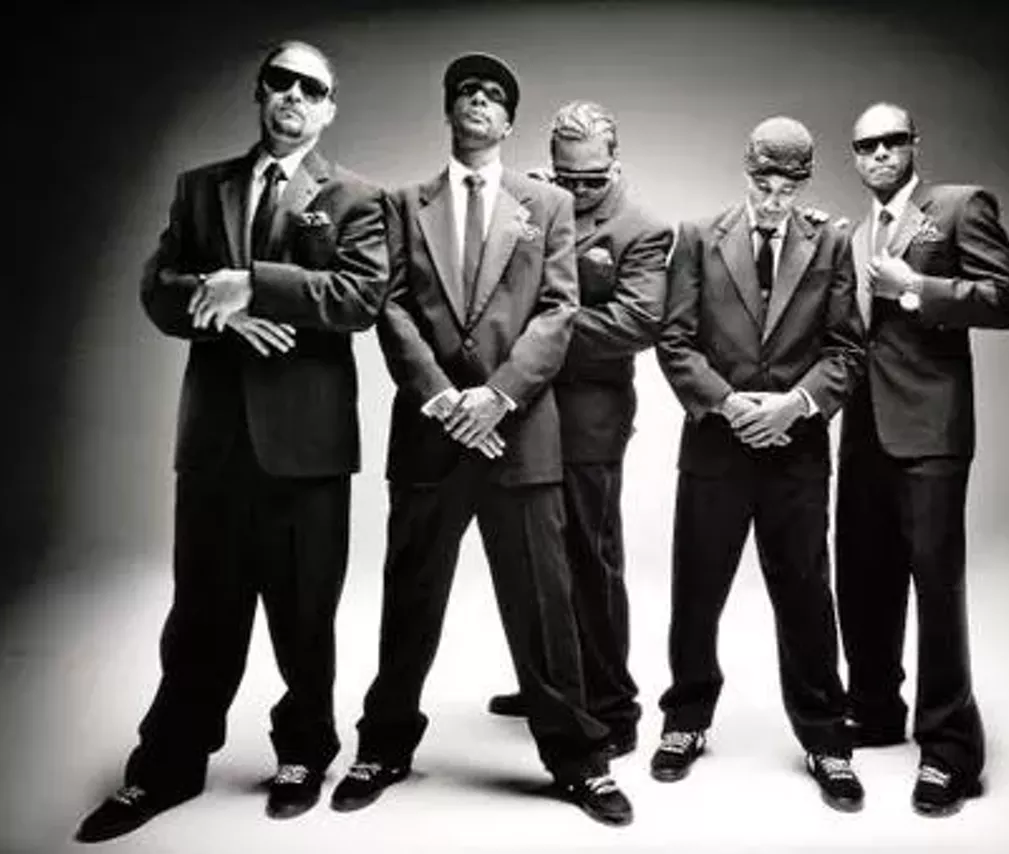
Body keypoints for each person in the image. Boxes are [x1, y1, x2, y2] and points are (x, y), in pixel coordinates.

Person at [75, 40, 391, 842]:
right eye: (280, 81)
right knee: (200, 615)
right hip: (215, 441)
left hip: (308, 446)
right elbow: (159, 290)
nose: (293, 96)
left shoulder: (356, 198)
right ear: (260, 92)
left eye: (310, 88)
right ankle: (167, 766)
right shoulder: (200, 187)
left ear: (328, 109)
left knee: (304, 613)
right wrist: (227, 316)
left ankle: (304, 753)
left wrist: (253, 286)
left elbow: (360, 297)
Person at [331, 54, 633, 827]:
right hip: (430, 433)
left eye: (494, 95)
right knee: (410, 599)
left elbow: (559, 310)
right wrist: (441, 398)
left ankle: (579, 760)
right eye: (466, 90)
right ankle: (382, 748)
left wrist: (498, 397)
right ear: (449, 111)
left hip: (519, 433)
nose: (479, 100)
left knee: (546, 606)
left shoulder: (547, 203)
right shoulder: (404, 203)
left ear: (508, 122)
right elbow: (392, 307)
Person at [652, 116, 867, 812]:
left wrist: (795, 406)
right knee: (697, 591)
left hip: (795, 452)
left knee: (806, 595)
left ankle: (826, 737)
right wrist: (727, 403)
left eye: (789, 188)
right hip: (716, 448)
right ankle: (685, 720)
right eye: (765, 184)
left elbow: (847, 349)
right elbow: (675, 340)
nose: (775, 200)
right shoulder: (697, 237)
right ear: (747, 172)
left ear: (805, 181)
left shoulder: (831, 240)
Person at [836, 101, 1009, 817]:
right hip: (863, 428)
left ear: (915, 143)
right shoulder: (856, 232)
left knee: (936, 588)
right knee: (861, 575)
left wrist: (916, 289)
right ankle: (874, 711)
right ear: (855, 157)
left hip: (931, 429)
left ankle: (950, 749)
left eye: (893, 141)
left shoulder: (957, 207)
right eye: (867, 146)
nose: (881, 154)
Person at [486, 101, 673, 762]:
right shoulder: (532, 203)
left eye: (593, 179)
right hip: (524, 411)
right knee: (536, 563)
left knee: (591, 563)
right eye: (567, 177)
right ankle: (553, 688)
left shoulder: (642, 229)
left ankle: (613, 704)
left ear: (615, 166)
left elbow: (636, 323)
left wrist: (543, 330)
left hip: (589, 422)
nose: (579, 190)